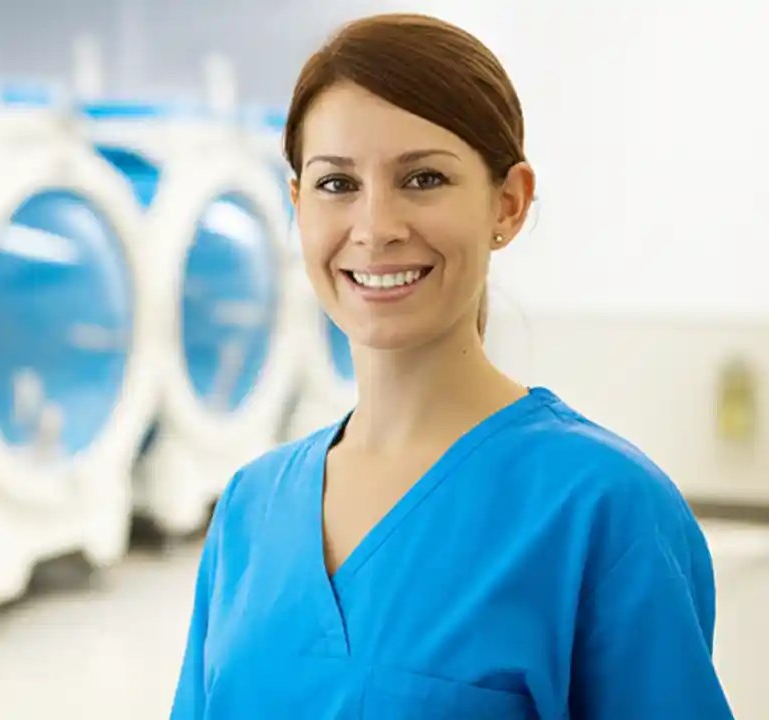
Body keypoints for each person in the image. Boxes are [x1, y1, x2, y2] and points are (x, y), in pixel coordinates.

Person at [170, 13, 734, 720]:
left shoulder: (603, 510)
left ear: (508, 204)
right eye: (337, 184)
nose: (376, 228)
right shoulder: (251, 507)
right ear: (297, 206)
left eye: (423, 178)